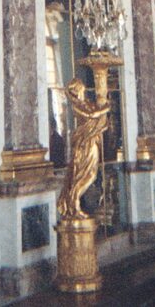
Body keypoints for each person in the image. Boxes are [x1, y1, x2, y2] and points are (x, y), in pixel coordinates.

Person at [57, 79, 109, 220]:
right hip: (85, 144)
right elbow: (91, 115)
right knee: (87, 175)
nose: (83, 91)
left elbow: (99, 121)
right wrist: (105, 108)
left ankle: (74, 203)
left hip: (92, 141)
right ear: (76, 90)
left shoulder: (86, 103)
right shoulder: (77, 106)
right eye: (81, 89)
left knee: (91, 174)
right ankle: (74, 203)